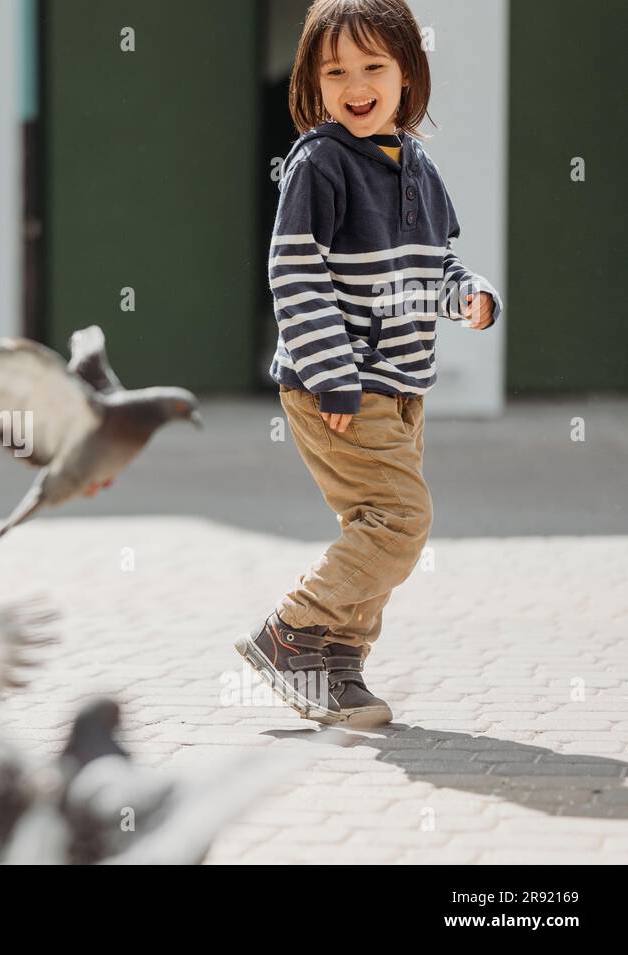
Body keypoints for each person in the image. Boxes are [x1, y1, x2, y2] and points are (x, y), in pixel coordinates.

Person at [236, 0, 501, 727]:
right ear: (313, 85)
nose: (355, 83)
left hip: (403, 385)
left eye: (373, 66)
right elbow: (295, 276)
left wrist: (469, 294)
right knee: (400, 520)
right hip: (338, 387)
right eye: (336, 71)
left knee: (374, 521)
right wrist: (333, 373)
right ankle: (293, 631)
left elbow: (434, 264)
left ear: (408, 73)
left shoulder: (417, 163)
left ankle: (335, 664)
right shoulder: (320, 164)